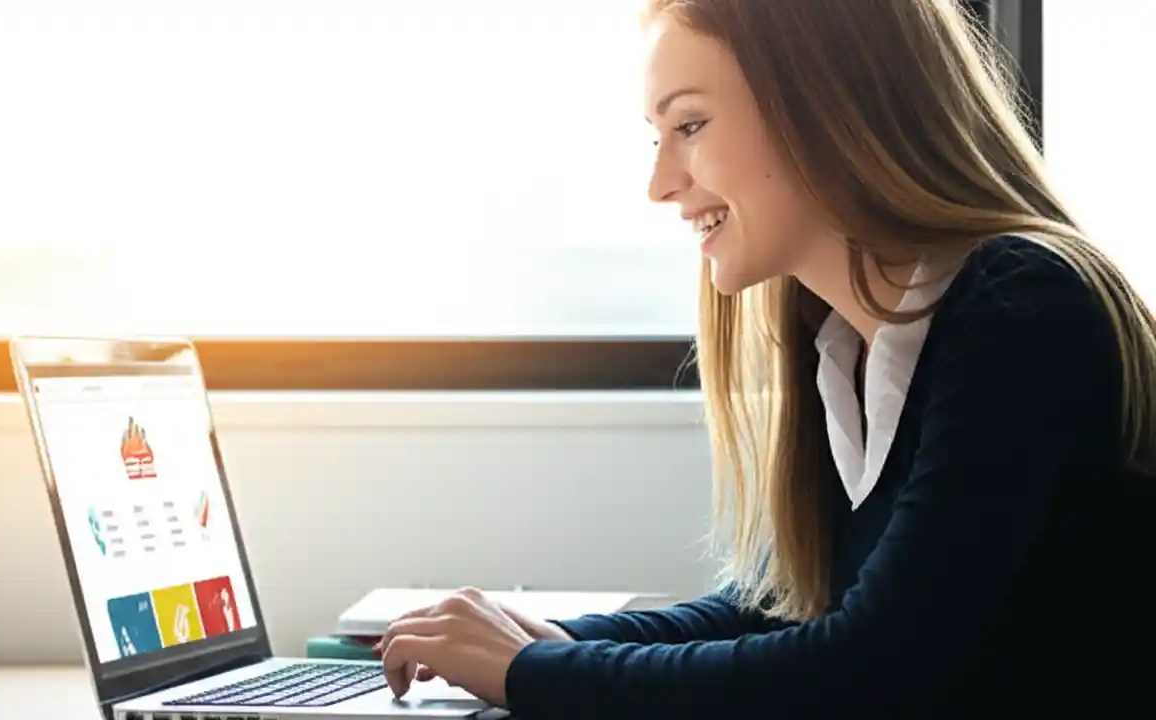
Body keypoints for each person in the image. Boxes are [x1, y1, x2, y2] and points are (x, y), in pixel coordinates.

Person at [373, 0, 1156, 716]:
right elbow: (785, 605)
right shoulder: (846, 341)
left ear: (825, 101)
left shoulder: (1021, 304)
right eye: (657, 136)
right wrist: (552, 642)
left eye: (689, 127)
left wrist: (529, 670)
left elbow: (869, 662)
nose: (659, 183)